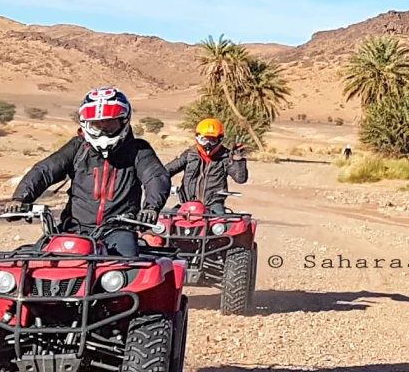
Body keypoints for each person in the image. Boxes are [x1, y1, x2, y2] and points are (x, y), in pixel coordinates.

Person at [12, 89, 170, 257]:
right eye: (96, 124)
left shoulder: (139, 150)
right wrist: (20, 198)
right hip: (73, 228)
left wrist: (151, 208)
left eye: (109, 123)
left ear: (124, 122)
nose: (102, 130)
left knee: (127, 267)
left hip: (119, 230)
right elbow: (45, 170)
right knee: (38, 261)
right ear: (85, 124)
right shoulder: (78, 147)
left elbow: (156, 177)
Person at [167, 116, 248, 210]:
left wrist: (238, 159)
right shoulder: (189, 154)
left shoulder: (226, 156)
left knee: (222, 222)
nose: (207, 144)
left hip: (213, 205)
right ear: (197, 138)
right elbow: (166, 171)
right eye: (204, 140)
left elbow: (240, 179)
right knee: (167, 221)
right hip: (187, 203)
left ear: (220, 139)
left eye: (212, 141)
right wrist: (163, 185)